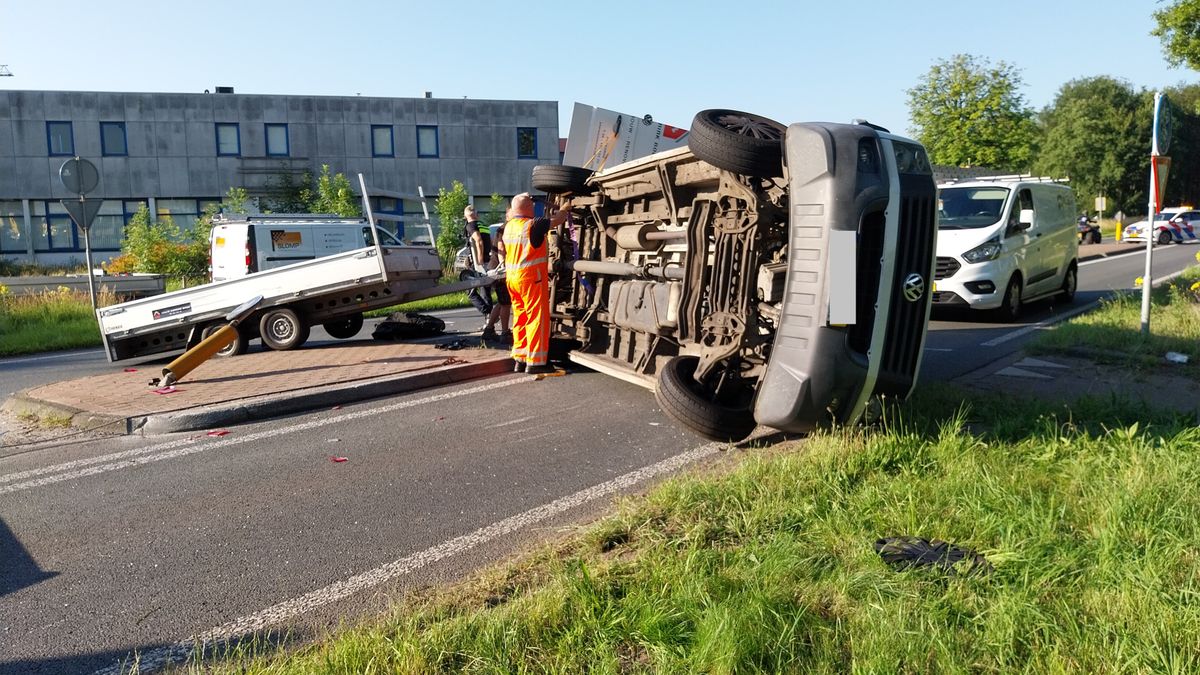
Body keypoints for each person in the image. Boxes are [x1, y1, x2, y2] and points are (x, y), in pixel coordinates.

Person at [503, 193, 570, 374]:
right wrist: (565, 208)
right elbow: (558, 220)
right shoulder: (534, 224)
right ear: (529, 209)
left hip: (512, 279)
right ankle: (536, 362)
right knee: (536, 318)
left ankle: (520, 359)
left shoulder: (509, 227)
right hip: (530, 278)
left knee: (520, 317)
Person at [463, 206, 494, 317]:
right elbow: (490, 242)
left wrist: (479, 260)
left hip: (479, 264)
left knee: (470, 291)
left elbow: (479, 241)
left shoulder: (470, 226)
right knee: (486, 291)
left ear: (466, 215)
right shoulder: (483, 225)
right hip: (488, 261)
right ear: (476, 214)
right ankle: (489, 321)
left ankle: (488, 313)